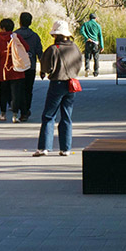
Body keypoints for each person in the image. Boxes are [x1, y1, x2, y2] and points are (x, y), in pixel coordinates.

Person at [34, 20, 84, 156]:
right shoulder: (75, 48)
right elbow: (79, 64)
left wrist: (45, 71)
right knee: (67, 116)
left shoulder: (53, 49)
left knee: (49, 115)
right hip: (72, 84)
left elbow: (47, 68)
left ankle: (44, 147)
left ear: (55, 35)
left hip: (57, 84)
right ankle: (66, 148)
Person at [16, 11, 43, 120]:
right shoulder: (35, 36)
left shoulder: (14, 35)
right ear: (30, 22)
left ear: (20, 22)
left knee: (19, 89)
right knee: (28, 90)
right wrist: (43, 69)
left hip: (18, 67)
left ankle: (22, 110)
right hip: (30, 67)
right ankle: (26, 110)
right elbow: (40, 53)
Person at [80, 13, 104, 77]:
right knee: (96, 58)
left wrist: (87, 37)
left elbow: (81, 31)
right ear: (95, 18)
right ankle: (96, 72)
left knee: (87, 57)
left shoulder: (85, 24)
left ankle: (87, 68)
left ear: (89, 18)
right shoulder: (98, 25)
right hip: (95, 43)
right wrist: (102, 46)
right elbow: (100, 36)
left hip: (88, 42)